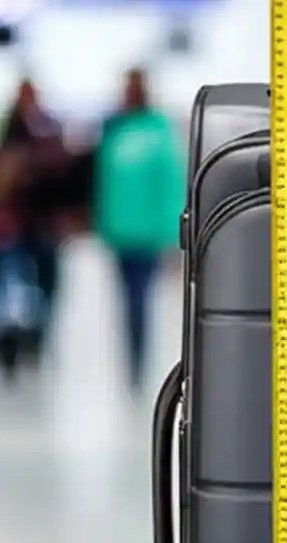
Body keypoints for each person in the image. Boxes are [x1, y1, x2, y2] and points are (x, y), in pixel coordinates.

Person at [94, 68, 183, 388]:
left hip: (147, 234)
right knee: (125, 299)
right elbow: (104, 183)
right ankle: (130, 359)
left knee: (138, 299)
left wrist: (171, 234)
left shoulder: (159, 132)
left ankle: (138, 361)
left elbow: (170, 185)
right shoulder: (114, 131)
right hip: (119, 232)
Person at [0, 78, 71, 358]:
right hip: (16, 222)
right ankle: (14, 337)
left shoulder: (49, 129)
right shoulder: (9, 129)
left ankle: (39, 335)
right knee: (14, 282)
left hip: (45, 222)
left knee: (46, 282)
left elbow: (63, 175)